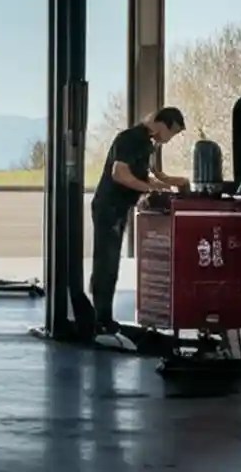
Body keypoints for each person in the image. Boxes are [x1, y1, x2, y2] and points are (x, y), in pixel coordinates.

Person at [89, 106, 189, 336]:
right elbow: (120, 174)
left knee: (110, 262)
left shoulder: (147, 143)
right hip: (109, 207)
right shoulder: (131, 139)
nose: (169, 139)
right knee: (107, 262)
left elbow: (149, 175)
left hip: (118, 207)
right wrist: (148, 189)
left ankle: (102, 317)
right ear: (160, 123)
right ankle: (100, 319)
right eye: (171, 133)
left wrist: (170, 183)